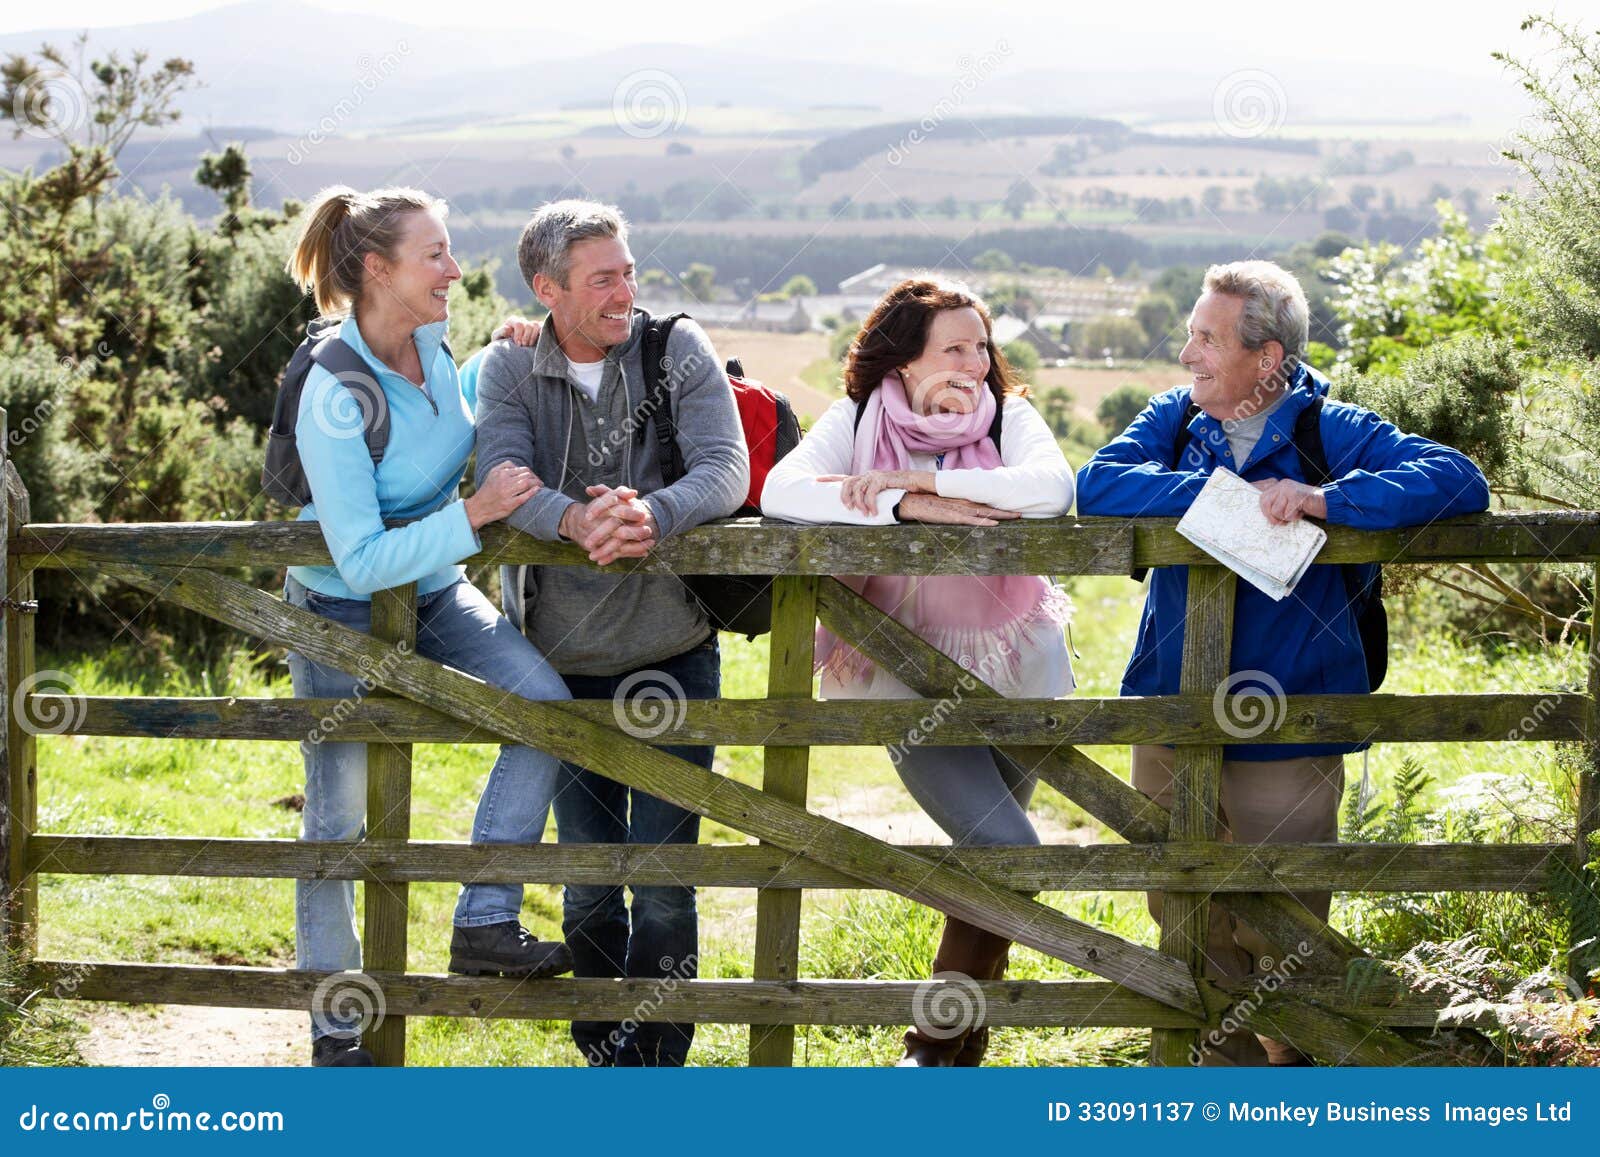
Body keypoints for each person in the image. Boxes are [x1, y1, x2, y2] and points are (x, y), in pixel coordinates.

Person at [1076, 259, 1490, 1066]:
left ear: (1267, 360)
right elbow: (1097, 485)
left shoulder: (1327, 428)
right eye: (1190, 334)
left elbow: (1455, 479)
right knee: (1182, 901)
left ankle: (1289, 1077)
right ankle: (1221, 1074)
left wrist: (1323, 500)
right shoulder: (1176, 416)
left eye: (1205, 337)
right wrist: (1225, 500)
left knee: (1287, 914)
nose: (1187, 353)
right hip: (1170, 699)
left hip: (1291, 711)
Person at [282, 185, 576, 1068]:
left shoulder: (436, 347)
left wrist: (505, 358)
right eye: (436, 255)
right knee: (336, 818)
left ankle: (485, 920)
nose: (456, 268)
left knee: (542, 709)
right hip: (339, 606)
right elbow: (364, 558)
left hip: (437, 589)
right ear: (378, 269)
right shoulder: (334, 392)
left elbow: (451, 426)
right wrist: (479, 512)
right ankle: (337, 1030)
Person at [760, 277, 1076, 1067]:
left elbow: (1050, 490)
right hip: (907, 681)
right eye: (954, 348)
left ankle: (952, 1053)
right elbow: (783, 491)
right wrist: (899, 509)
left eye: (982, 345)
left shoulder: (1006, 414)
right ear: (901, 363)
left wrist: (924, 480)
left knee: (992, 861)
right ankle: (934, 1041)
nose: (974, 363)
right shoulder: (860, 417)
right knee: (1007, 850)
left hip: (1015, 669)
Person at [467, 200, 749, 1066]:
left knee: (664, 886)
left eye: (628, 270)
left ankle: (658, 1073)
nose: (625, 290)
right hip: (561, 663)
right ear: (546, 289)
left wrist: (647, 517)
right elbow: (499, 474)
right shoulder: (509, 365)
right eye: (602, 278)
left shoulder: (677, 348)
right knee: (589, 889)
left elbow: (726, 468)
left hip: (671, 652)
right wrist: (576, 525)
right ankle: (604, 1063)